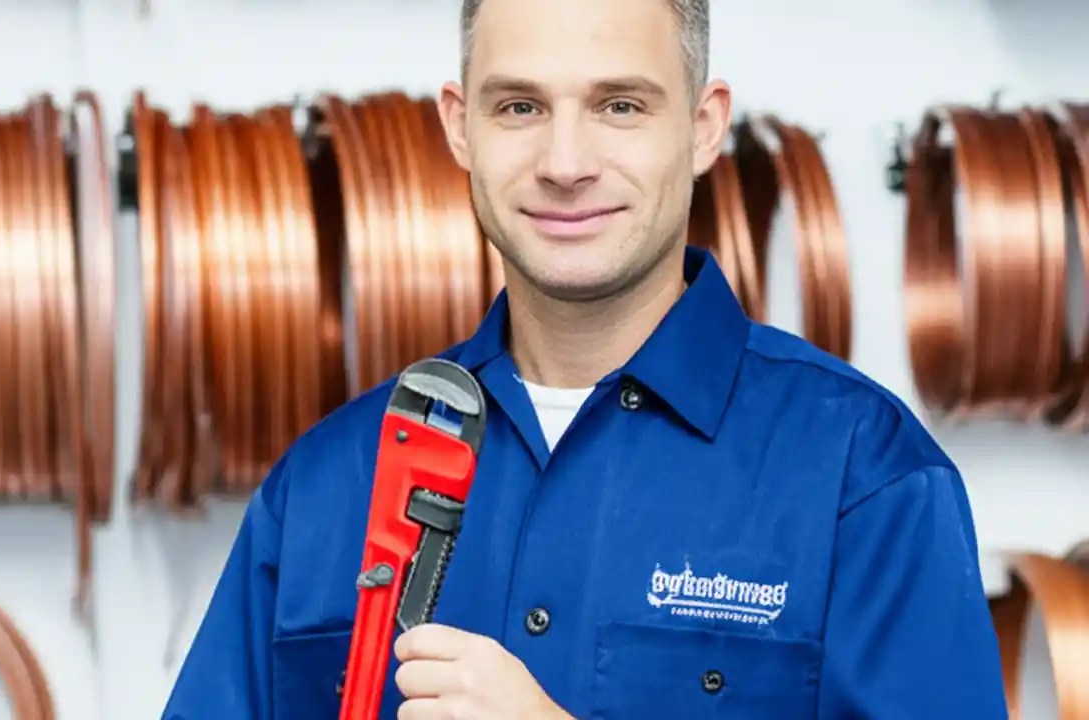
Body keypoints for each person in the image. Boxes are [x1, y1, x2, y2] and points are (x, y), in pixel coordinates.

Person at [161, 0, 1008, 717]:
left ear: (705, 126)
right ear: (460, 127)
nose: (565, 165)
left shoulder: (865, 481)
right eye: (520, 107)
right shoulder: (322, 487)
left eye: (620, 106)